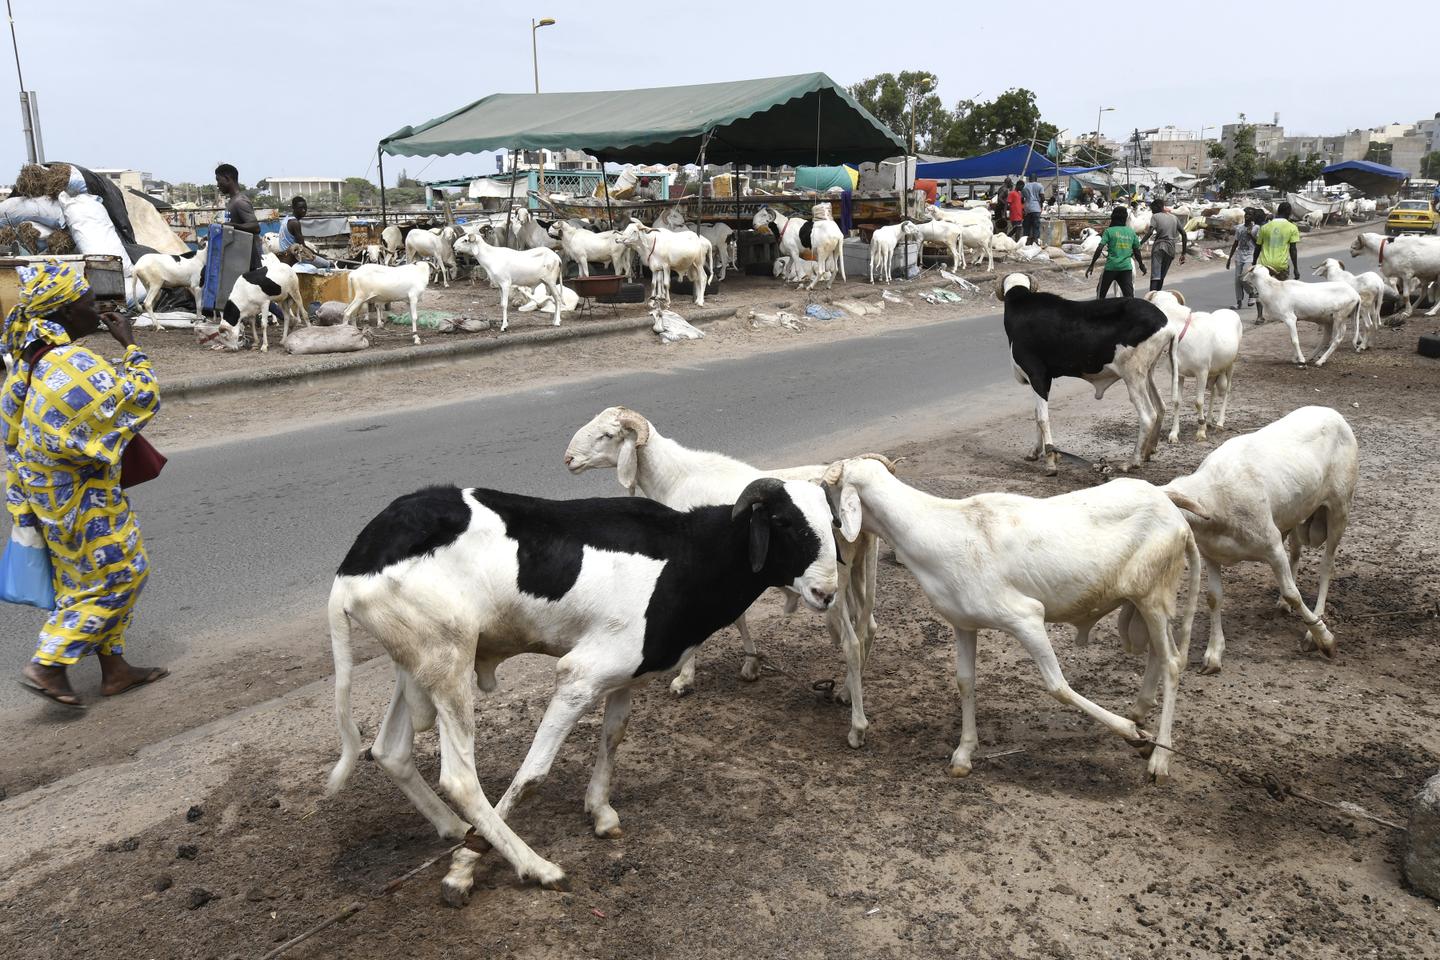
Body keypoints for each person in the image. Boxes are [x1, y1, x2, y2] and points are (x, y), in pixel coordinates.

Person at [5, 264, 166, 709]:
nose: (97, 309)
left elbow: (11, 436)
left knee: (81, 580)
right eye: (88, 302)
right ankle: (48, 663)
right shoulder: (71, 364)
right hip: (81, 496)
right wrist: (130, 345)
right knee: (122, 574)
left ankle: (115, 669)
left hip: (47, 496)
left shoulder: (30, 361)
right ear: (64, 312)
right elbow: (140, 398)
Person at [1254, 200, 1301, 322]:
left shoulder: (1265, 227)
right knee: (1282, 289)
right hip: (1281, 265)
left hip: (1264, 264)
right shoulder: (1292, 227)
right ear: (1288, 212)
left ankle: (1259, 316)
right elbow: (1293, 250)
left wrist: (1254, 263)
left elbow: (1258, 247)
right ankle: (1281, 314)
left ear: (1278, 211)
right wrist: (1296, 268)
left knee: (1261, 290)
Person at [1086, 206, 1146, 298]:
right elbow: (1136, 251)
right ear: (1125, 218)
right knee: (1129, 298)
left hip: (1111, 268)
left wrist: (1092, 265)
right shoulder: (1131, 232)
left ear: (1113, 217)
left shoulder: (1109, 231)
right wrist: (1141, 265)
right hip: (1126, 269)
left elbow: (1099, 248)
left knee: (1100, 295)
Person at [215, 162, 260, 269]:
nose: (217, 185)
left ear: (227, 179)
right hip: (238, 260)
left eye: (218, 180)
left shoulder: (240, 201)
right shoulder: (232, 201)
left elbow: (255, 227)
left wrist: (231, 226)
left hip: (248, 263)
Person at [1138, 197, 1188, 291]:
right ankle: (1158, 294)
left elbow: (1150, 232)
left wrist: (1140, 243)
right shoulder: (1174, 217)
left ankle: (1152, 296)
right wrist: (1183, 253)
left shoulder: (1155, 217)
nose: (1152, 211)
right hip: (1171, 248)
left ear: (1156, 207)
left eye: (1152, 209)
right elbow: (1184, 234)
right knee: (1161, 276)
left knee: (1155, 276)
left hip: (1159, 247)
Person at [278, 196, 333, 268]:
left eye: (305, 208)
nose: (303, 210)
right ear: (293, 208)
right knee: (330, 264)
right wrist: (319, 256)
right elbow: (302, 246)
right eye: (300, 208)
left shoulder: (286, 219)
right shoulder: (295, 223)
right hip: (294, 257)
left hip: (285, 255)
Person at [1225, 207, 1261, 309]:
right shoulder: (1239, 228)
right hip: (1239, 256)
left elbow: (1258, 244)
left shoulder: (1256, 228)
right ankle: (1238, 302)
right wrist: (1229, 258)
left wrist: (1251, 235)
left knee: (1244, 278)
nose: (1247, 216)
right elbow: (1235, 243)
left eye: (1250, 214)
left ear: (1253, 217)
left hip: (1250, 255)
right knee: (1237, 280)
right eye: (1246, 214)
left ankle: (1252, 292)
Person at [1021, 174, 1045, 245]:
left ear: (1029, 179)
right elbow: (1042, 198)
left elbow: (1022, 199)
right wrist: (1040, 203)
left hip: (1027, 208)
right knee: (1036, 226)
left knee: (1027, 226)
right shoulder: (1040, 185)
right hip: (1036, 208)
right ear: (1036, 179)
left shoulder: (1025, 186)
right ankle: (1035, 242)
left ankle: (1026, 242)